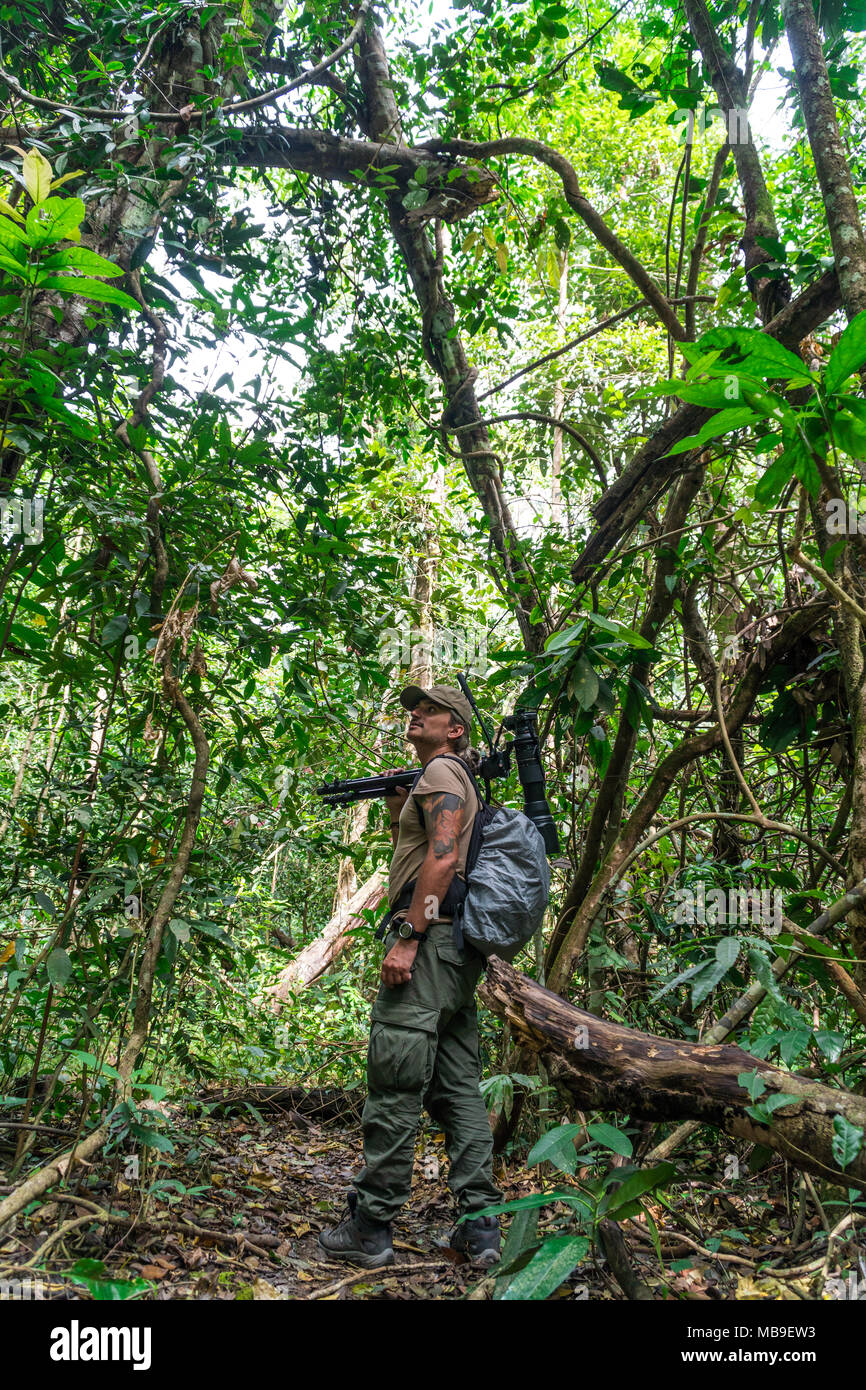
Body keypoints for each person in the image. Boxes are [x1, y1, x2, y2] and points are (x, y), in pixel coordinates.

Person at [319, 684, 502, 1269]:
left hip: (430, 944)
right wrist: (402, 811)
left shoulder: (445, 773)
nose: (415, 714)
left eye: (429, 709)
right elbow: (425, 850)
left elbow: (443, 859)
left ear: (457, 729)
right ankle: (480, 1230)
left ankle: (371, 1226)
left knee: (397, 1078)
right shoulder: (446, 777)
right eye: (411, 707)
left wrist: (410, 936)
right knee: (458, 1092)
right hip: (455, 953)